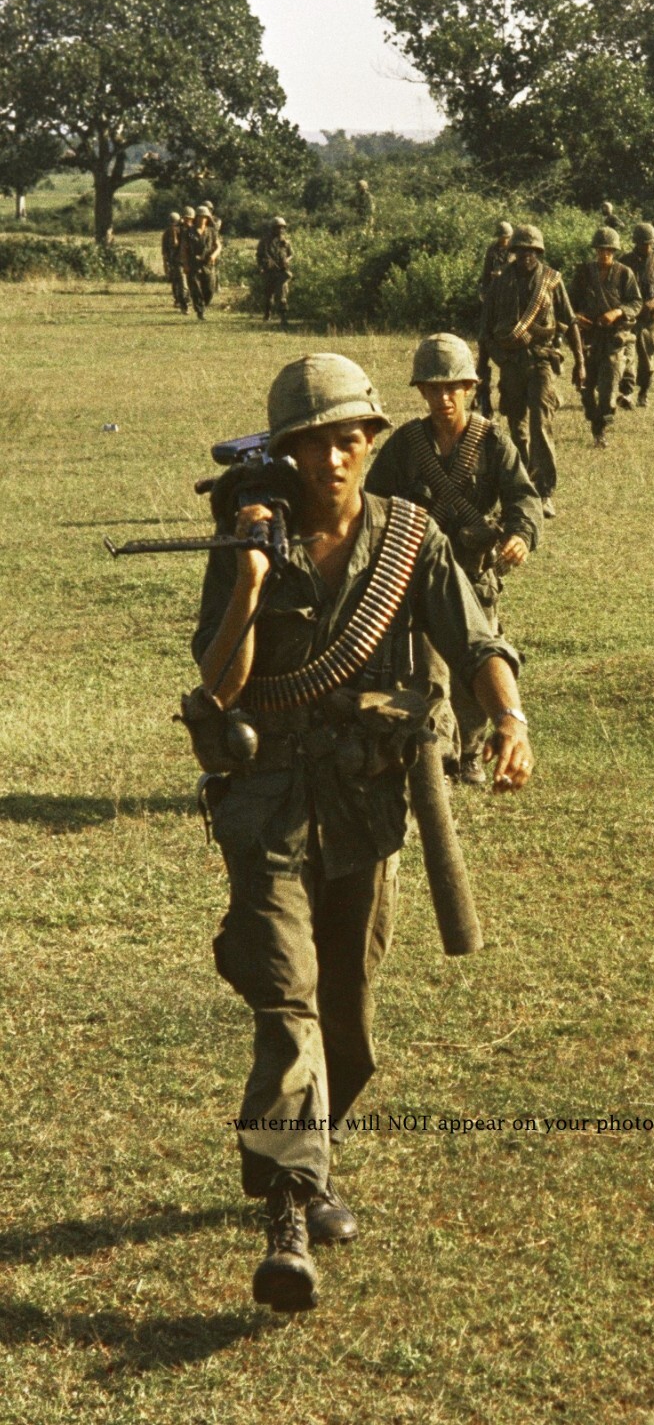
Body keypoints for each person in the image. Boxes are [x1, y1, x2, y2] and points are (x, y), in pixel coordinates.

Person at [192, 352, 533, 1312]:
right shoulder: (247, 541)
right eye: (314, 445)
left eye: (351, 440)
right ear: (286, 454)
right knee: (287, 1001)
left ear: (369, 443)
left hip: (367, 805)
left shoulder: (407, 539)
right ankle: (290, 1212)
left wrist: (509, 718)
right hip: (266, 806)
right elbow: (218, 690)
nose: (335, 460)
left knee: (346, 1015)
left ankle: (311, 1156)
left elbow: (474, 641)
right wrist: (252, 584)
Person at [366, 333, 542, 785]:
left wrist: (520, 535)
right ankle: (437, 756)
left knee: (476, 667)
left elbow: (523, 496)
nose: (443, 396)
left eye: (452, 387)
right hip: (419, 573)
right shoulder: (406, 444)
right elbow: (372, 502)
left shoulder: (492, 441)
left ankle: (469, 752)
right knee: (427, 668)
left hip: (474, 573)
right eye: (433, 387)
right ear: (421, 391)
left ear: (470, 388)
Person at [478, 224, 584, 519]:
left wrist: (581, 362)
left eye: (532, 251)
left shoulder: (550, 281)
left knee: (541, 425)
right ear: (513, 252)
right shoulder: (499, 284)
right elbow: (485, 331)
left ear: (539, 252)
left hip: (541, 362)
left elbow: (571, 320)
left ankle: (545, 491)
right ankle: (523, 487)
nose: (527, 255)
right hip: (509, 364)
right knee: (517, 430)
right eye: (521, 250)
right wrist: (482, 370)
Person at [569, 227, 642, 447]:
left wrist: (618, 312)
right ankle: (594, 420)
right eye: (601, 250)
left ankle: (601, 430)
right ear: (596, 250)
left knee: (609, 387)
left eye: (609, 250)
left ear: (615, 251)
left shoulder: (624, 273)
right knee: (586, 387)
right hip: (588, 337)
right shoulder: (583, 273)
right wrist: (577, 316)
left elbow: (636, 303)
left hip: (613, 338)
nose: (605, 254)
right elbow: (570, 303)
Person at [620, 223, 654, 408]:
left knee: (647, 363)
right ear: (635, 243)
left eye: (650, 243)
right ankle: (626, 394)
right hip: (629, 318)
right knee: (627, 357)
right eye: (643, 243)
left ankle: (643, 392)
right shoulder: (624, 262)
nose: (647, 247)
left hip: (650, 319)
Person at [182, 205, 222, 320]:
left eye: (204, 217)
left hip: (208, 264)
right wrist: (185, 264)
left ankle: (203, 305)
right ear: (196, 218)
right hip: (193, 263)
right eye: (199, 217)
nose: (201, 219)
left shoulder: (212, 231)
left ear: (207, 218)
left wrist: (214, 255)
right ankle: (200, 311)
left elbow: (218, 246)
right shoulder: (189, 232)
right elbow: (184, 249)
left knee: (209, 289)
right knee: (195, 289)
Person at [256, 216, 294, 325]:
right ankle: (267, 314)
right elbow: (259, 256)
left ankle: (283, 317)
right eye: (277, 227)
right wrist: (262, 266)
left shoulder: (285, 242)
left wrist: (286, 260)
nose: (280, 230)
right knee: (268, 295)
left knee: (282, 296)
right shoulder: (264, 241)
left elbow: (291, 254)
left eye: (282, 228)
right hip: (269, 272)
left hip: (282, 272)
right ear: (272, 228)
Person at [161, 211, 188, 313]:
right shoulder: (168, 233)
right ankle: (180, 301)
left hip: (180, 260)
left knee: (181, 282)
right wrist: (165, 264)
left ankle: (183, 301)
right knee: (176, 281)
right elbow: (166, 250)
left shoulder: (183, 231)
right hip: (174, 261)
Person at [479, 220, 514, 299]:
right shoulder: (492, 249)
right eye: (500, 237)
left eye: (505, 238)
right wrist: (484, 290)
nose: (501, 240)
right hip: (495, 290)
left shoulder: (515, 250)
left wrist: (502, 273)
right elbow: (487, 271)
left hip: (512, 291)